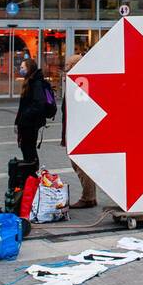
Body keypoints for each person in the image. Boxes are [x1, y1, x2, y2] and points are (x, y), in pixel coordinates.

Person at [61, 53, 97, 209]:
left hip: (80, 131)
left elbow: (80, 109)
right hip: (74, 129)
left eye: (68, 65)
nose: (66, 68)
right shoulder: (75, 82)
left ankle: (89, 197)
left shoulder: (81, 82)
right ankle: (89, 195)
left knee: (81, 163)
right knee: (78, 163)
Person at [14, 58, 51, 165]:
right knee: (27, 149)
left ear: (29, 68)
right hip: (27, 123)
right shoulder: (29, 81)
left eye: (22, 67)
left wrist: (25, 115)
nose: (20, 70)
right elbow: (23, 106)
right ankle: (30, 173)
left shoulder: (36, 83)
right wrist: (17, 122)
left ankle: (32, 174)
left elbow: (38, 104)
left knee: (29, 150)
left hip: (30, 124)